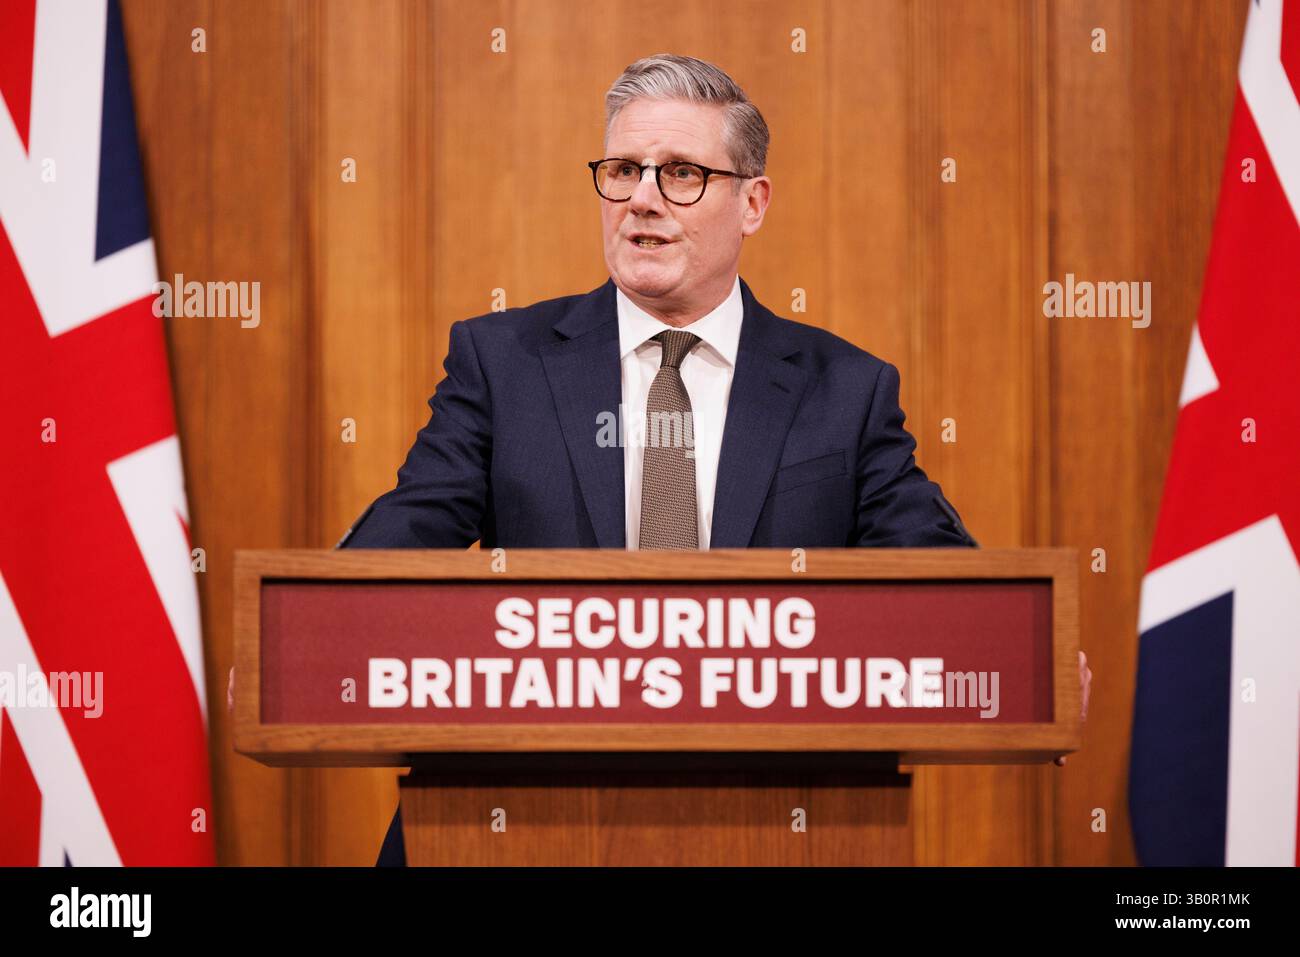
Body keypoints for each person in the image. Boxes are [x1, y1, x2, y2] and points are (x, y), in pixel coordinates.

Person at [228, 53, 1091, 866]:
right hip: (513, 821)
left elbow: (934, 574)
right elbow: (409, 530)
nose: (642, 198)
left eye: (681, 173)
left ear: (752, 203)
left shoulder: (845, 389)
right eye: (622, 171)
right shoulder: (503, 362)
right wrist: (304, 641)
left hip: (778, 828)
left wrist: (1024, 656)